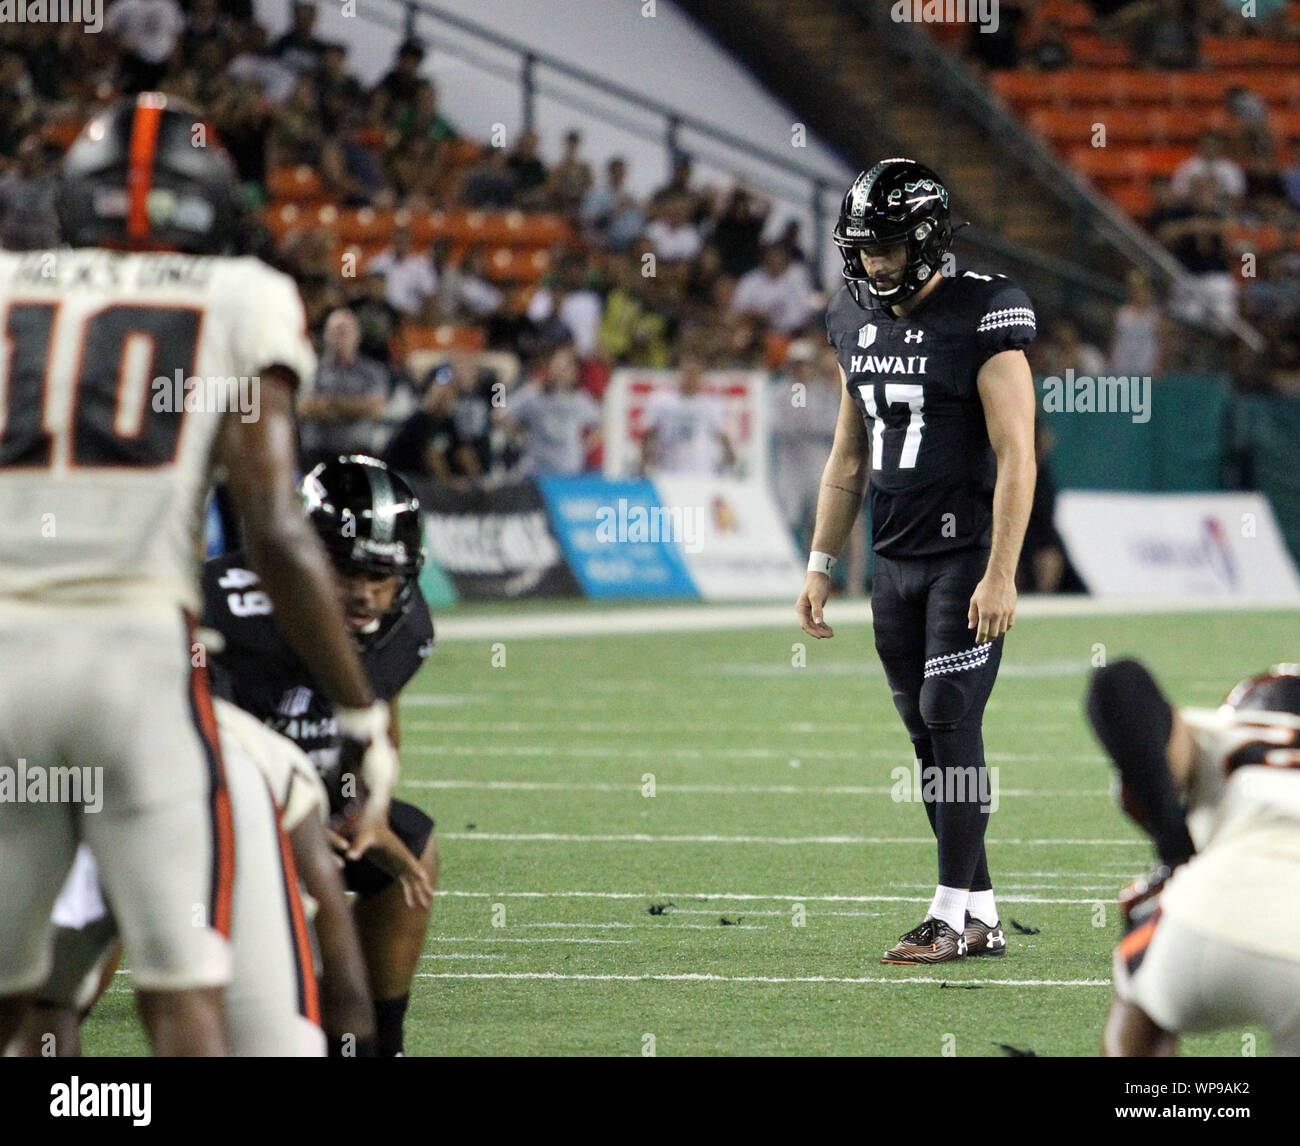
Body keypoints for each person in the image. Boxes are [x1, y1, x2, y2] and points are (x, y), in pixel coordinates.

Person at [0, 94, 397, 1055]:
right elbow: (274, 526)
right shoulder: (243, 294)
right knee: (182, 995)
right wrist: (360, 715)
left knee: (19, 1007)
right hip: (138, 663)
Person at [797, 158, 1037, 963]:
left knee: (947, 712)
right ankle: (982, 912)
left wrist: (1002, 570)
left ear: (930, 239)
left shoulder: (987, 309)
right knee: (925, 735)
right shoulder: (849, 317)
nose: (874, 261)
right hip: (893, 560)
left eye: (891, 245)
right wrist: (822, 561)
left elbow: (1017, 454)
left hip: (964, 553)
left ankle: (946, 913)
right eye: (864, 247)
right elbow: (846, 454)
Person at [202, 457, 438, 1057]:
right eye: (345, 569)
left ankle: (382, 1044)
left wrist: (370, 811)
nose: (364, 592)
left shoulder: (404, 627)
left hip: (309, 793)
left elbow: (382, 718)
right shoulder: (226, 609)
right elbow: (193, 744)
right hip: (208, 797)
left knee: (410, 849)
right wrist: (289, 826)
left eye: (382, 575)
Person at [6, 700, 375, 1058]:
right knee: (188, 992)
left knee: (43, 1008)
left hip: (50, 776)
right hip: (212, 777)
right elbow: (350, 992)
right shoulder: (256, 756)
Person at [1087, 661, 1300, 1056]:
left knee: (1145, 915)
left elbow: (1115, 684)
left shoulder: (1223, 732)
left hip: (1205, 932)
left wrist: (1175, 851)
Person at [298, 308, 390, 465]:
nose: (341, 337)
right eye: (336, 331)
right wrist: (355, 407)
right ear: (325, 335)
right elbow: (303, 407)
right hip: (317, 455)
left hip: (360, 455)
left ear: (357, 335)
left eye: (346, 331)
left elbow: (375, 409)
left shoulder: (372, 371)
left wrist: (329, 405)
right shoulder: (310, 369)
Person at [506, 344, 602, 476]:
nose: (561, 372)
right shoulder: (534, 394)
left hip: (568, 470)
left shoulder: (579, 399)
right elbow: (500, 413)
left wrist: (582, 447)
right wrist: (520, 435)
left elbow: (601, 425)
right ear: (549, 368)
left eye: (565, 368)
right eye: (558, 367)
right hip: (536, 469)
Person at [640, 354, 735, 476]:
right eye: (687, 373)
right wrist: (643, 460)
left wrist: (730, 456)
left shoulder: (710, 404)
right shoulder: (662, 401)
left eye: (694, 374)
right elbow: (648, 433)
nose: (690, 378)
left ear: (700, 377)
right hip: (668, 470)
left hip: (701, 471)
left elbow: (722, 434)